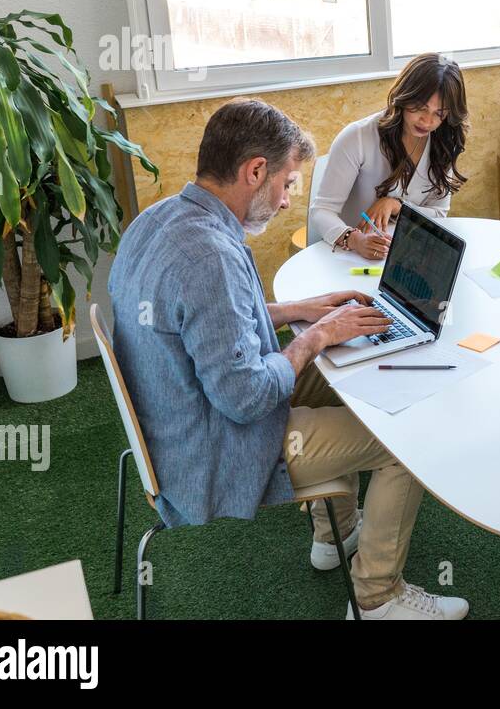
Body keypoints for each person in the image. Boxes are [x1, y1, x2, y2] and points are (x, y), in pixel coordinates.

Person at [109, 99, 468, 620]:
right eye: (288, 183)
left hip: (177, 416)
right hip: (212, 448)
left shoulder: (161, 219)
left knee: (340, 369)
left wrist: (303, 311)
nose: (285, 201)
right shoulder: (210, 257)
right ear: (255, 171)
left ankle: (337, 536)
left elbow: (210, 320)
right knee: (403, 441)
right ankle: (377, 599)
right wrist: (315, 335)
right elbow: (246, 396)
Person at [310, 52, 469, 261]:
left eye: (439, 113)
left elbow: (439, 215)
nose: (427, 121)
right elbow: (321, 211)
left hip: (403, 257)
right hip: (346, 255)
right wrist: (355, 239)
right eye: (421, 108)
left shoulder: (443, 144)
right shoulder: (358, 136)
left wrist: (397, 205)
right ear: (405, 96)